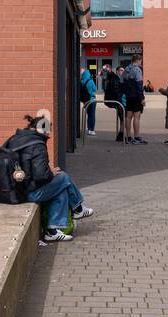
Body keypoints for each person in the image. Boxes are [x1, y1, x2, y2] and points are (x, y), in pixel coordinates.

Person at [6, 114, 94, 244]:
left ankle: (52, 232)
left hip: (18, 190)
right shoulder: (37, 145)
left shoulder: (18, 139)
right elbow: (41, 176)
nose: (49, 135)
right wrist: (51, 172)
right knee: (63, 177)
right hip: (29, 193)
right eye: (48, 131)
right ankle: (78, 207)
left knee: (61, 188)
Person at [122, 57, 147, 144]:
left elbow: (122, 83)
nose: (141, 63)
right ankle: (136, 137)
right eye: (141, 61)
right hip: (136, 96)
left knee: (128, 117)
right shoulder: (137, 70)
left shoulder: (126, 69)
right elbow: (139, 85)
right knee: (137, 117)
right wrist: (142, 98)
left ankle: (128, 137)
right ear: (137, 60)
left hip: (128, 96)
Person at [102, 61, 125, 142]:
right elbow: (116, 91)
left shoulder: (114, 78)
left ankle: (121, 134)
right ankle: (121, 135)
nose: (123, 72)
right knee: (123, 117)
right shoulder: (115, 78)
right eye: (121, 70)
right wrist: (120, 100)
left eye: (123, 70)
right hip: (116, 100)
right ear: (117, 71)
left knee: (122, 117)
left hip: (114, 100)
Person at [79, 64, 97, 135]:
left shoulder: (81, 81)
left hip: (85, 100)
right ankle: (91, 130)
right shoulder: (91, 81)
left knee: (88, 114)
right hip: (92, 100)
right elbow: (95, 89)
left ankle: (88, 128)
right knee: (92, 115)